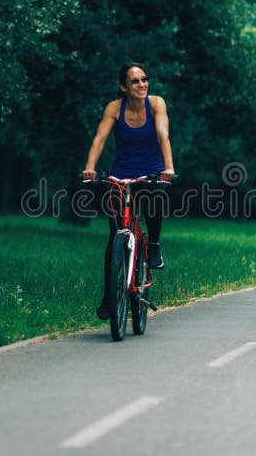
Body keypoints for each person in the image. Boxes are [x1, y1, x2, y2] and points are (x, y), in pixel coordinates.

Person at [82, 63, 175, 320]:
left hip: (151, 171)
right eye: (135, 81)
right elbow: (99, 139)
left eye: (144, 79)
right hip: (120, 173)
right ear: (124, 86)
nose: (142, 85)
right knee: (115, 236)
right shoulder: (114, 108)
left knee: (155, 197)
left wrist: (168, 167)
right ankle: (110, 295)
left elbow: (163, 135)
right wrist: (90, 167)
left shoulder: (156, 104)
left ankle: (153, 246)